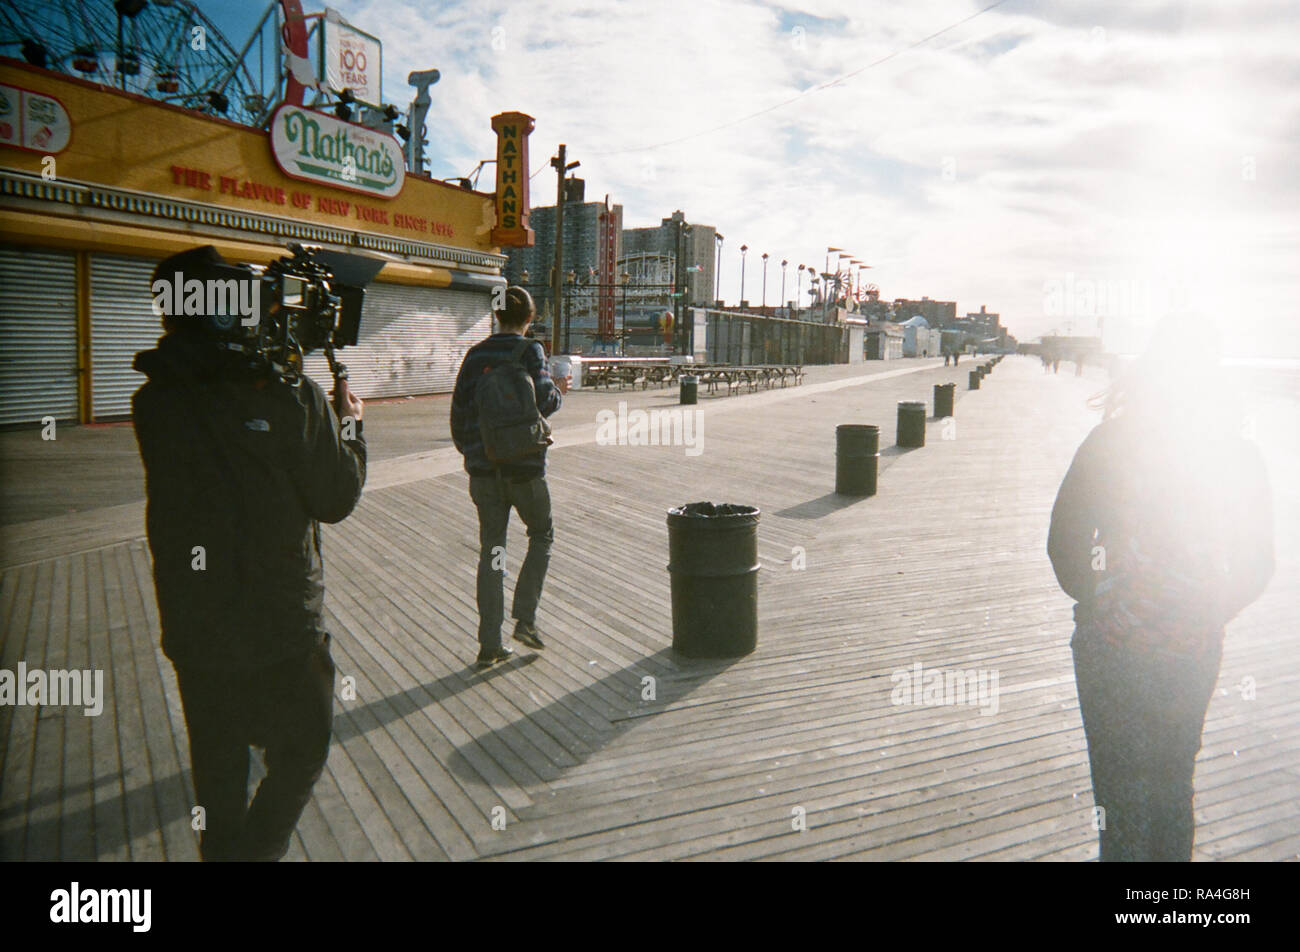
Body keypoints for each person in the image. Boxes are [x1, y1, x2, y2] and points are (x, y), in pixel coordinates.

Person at [132, 246, 367, 861]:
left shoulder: (154, 398)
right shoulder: (289, 396)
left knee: (217, 776)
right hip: (281, 624)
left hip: (193, 623)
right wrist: (348, 426)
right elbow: (335, 496)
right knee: (305, 749)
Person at [1047, 314, 1273, 861]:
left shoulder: (1110, 443)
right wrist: (1204, 611)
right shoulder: (1236, 456)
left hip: (1111, 647)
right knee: (1173, 786)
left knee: (1119, 792)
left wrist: (1102, 604)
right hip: (1190, 647)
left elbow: (1063, 541)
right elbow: (1257, 563)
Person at [451, 287, 567, 670]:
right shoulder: (530, 351)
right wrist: (559, 393)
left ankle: (490, 644)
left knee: (493, 553)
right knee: (541, 535)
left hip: (485, 476)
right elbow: (545, 401)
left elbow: (458, 416)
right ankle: (526, 618)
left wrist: (475, 456)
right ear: (529, 318)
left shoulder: (475, 355)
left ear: (495, 315)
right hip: (526, 472)